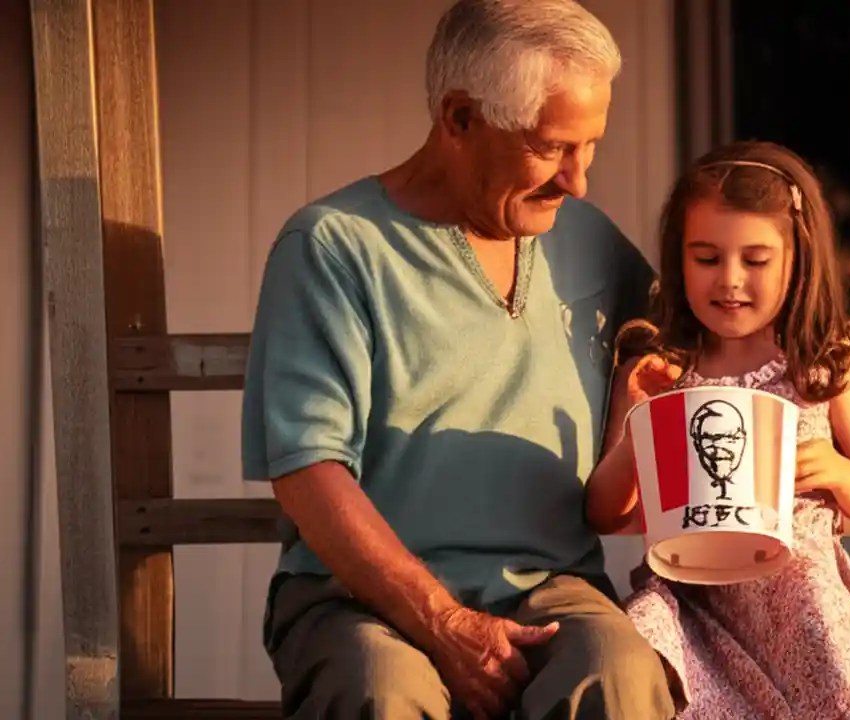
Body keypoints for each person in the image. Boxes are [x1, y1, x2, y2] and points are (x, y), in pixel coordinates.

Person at [240, 1, 675, 718]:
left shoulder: (590, 240)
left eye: (589, 145)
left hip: (551, 587)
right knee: (382, 688)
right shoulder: (333, 246)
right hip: (362, 603)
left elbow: (705, 332)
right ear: (461, 119)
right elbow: (307, 473)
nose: (578, 180)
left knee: (620, 672)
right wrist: (442, 623)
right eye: (551, 146)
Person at [585, 141, 850, 719]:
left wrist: (836, 471)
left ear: (796, 259)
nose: (729, 280)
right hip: (692, 596)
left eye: (755, 261)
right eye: (706, 258)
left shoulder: (820, 363)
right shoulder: (659, 366)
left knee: (816, 611)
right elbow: (606, 514)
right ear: (678, 257)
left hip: (794, 596)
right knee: (642, 641)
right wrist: (640, 434)